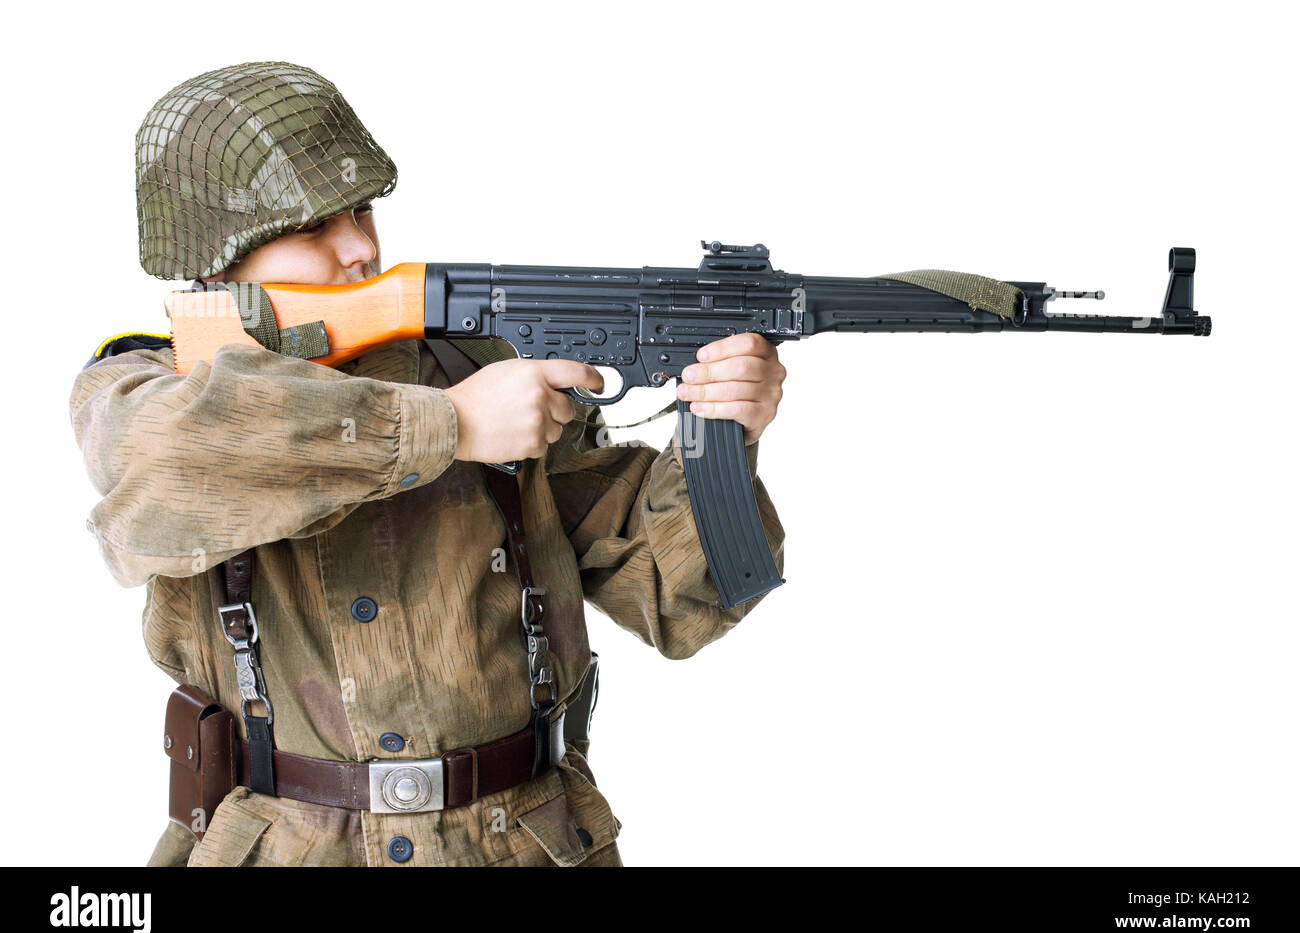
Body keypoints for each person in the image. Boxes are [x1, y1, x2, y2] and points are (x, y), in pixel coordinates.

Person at [70, 60, 786, 867]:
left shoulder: (478, 367)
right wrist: (449, 426)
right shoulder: (150, 386)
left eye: (363, 211)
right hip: (287, 846)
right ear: (217, 257)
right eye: (312, 228)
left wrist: (721, 423)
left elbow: (671, 598)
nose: (360, 248)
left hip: (518, 841)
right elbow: (167, 460)